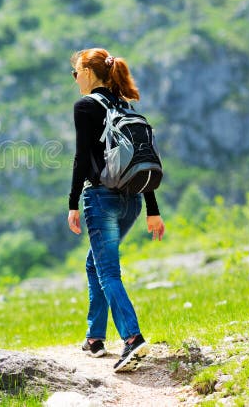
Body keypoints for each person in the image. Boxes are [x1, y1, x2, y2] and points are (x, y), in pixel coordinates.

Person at [66, 47, 166, 372]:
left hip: (100, 199)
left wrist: (72, 204)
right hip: (132, 201)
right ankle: (95, 338)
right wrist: (153, 210)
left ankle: (132, 338)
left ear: (90, 73)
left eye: (77, 70)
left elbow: (82, 158)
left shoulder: (85, 107)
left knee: (108, 270)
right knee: (95, 263)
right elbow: (142, 160)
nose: (74, 77)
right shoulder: (124, 106)